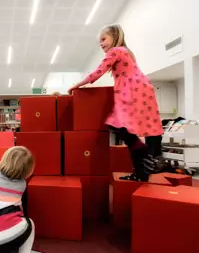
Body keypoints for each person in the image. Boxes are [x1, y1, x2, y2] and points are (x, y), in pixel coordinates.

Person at [68, 24, 163, 182]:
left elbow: (98, 72)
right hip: (141, 88)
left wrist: (77, 85)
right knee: (133, 128)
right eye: (100, 41)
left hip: (131, 89)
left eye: (104, 39)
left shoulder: (116, 51)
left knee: (118, 126)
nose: (101, 43)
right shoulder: (126, 52)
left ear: (115, 37)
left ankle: (145, 157)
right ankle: (142, 171)